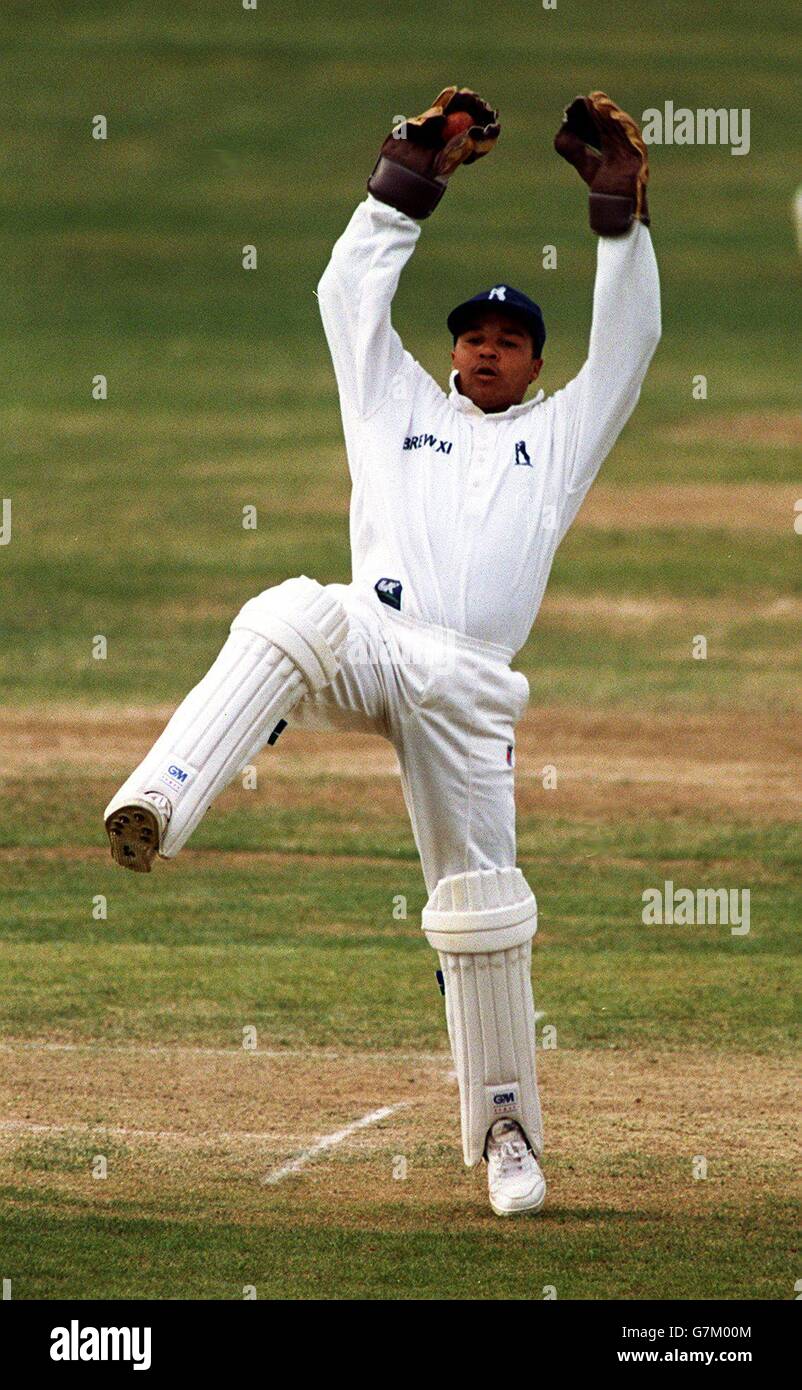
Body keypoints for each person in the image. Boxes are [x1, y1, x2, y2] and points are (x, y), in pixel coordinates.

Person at [104, 87, 660, 1216]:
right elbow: (346, 295)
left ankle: (507, 1136)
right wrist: (405, 179)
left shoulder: (559, 438)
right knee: (291, 610)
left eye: (508, 339)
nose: (485, 349)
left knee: (482, 906)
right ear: (450, 350)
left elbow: (634, 343)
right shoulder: (394, 401)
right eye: (471, 335)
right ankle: (160, 798)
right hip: (375, 634)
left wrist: (619, 220)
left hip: (466, 689)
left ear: (534, 363)